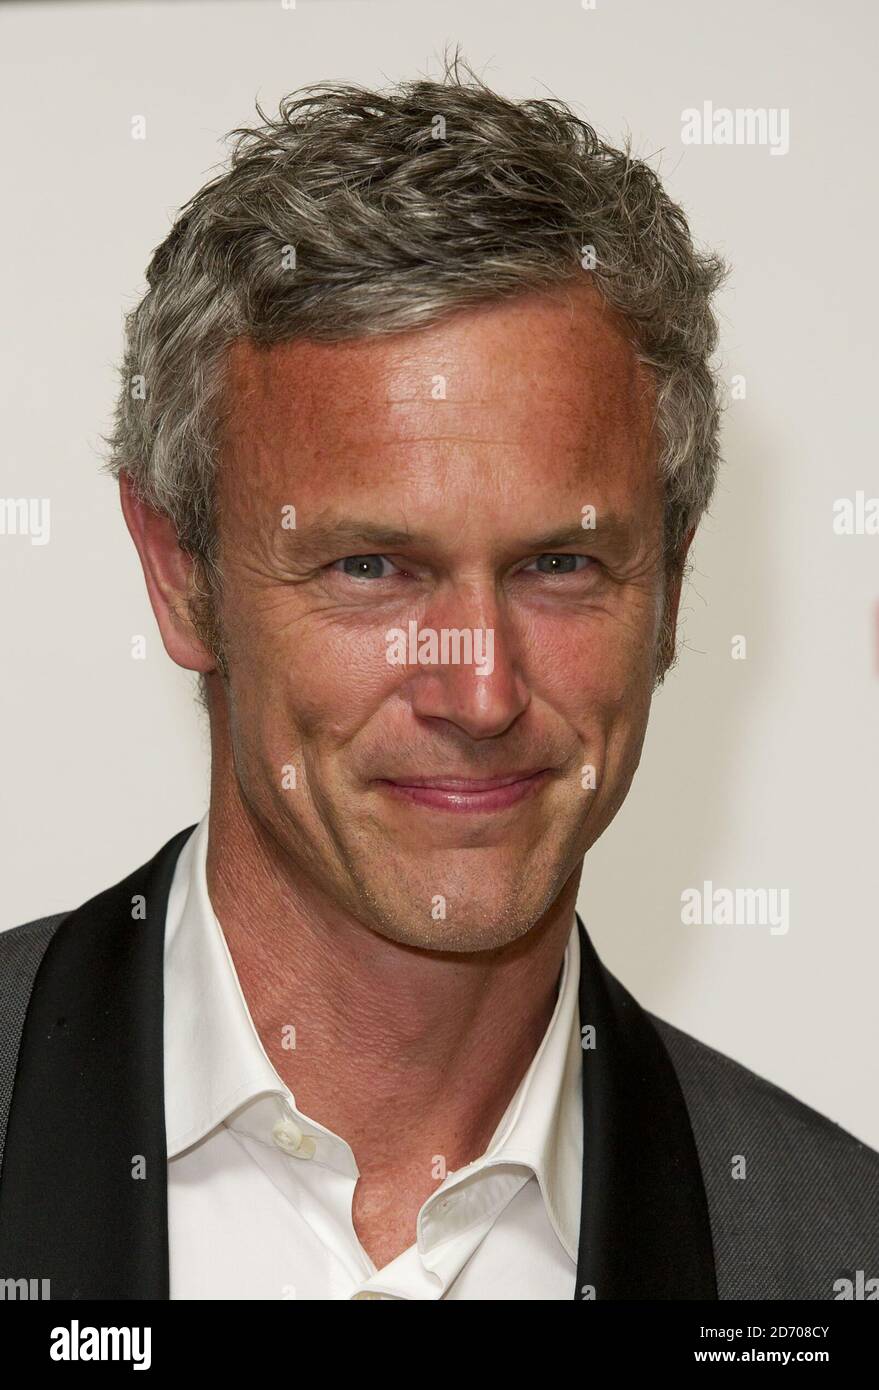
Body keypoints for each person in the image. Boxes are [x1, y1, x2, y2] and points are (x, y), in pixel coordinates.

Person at [1, 61, 876, 1301]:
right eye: (372, 566)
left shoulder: (831, 1258)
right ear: (180, 574)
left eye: (562, 564)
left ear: (674, 586)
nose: (479, 692)